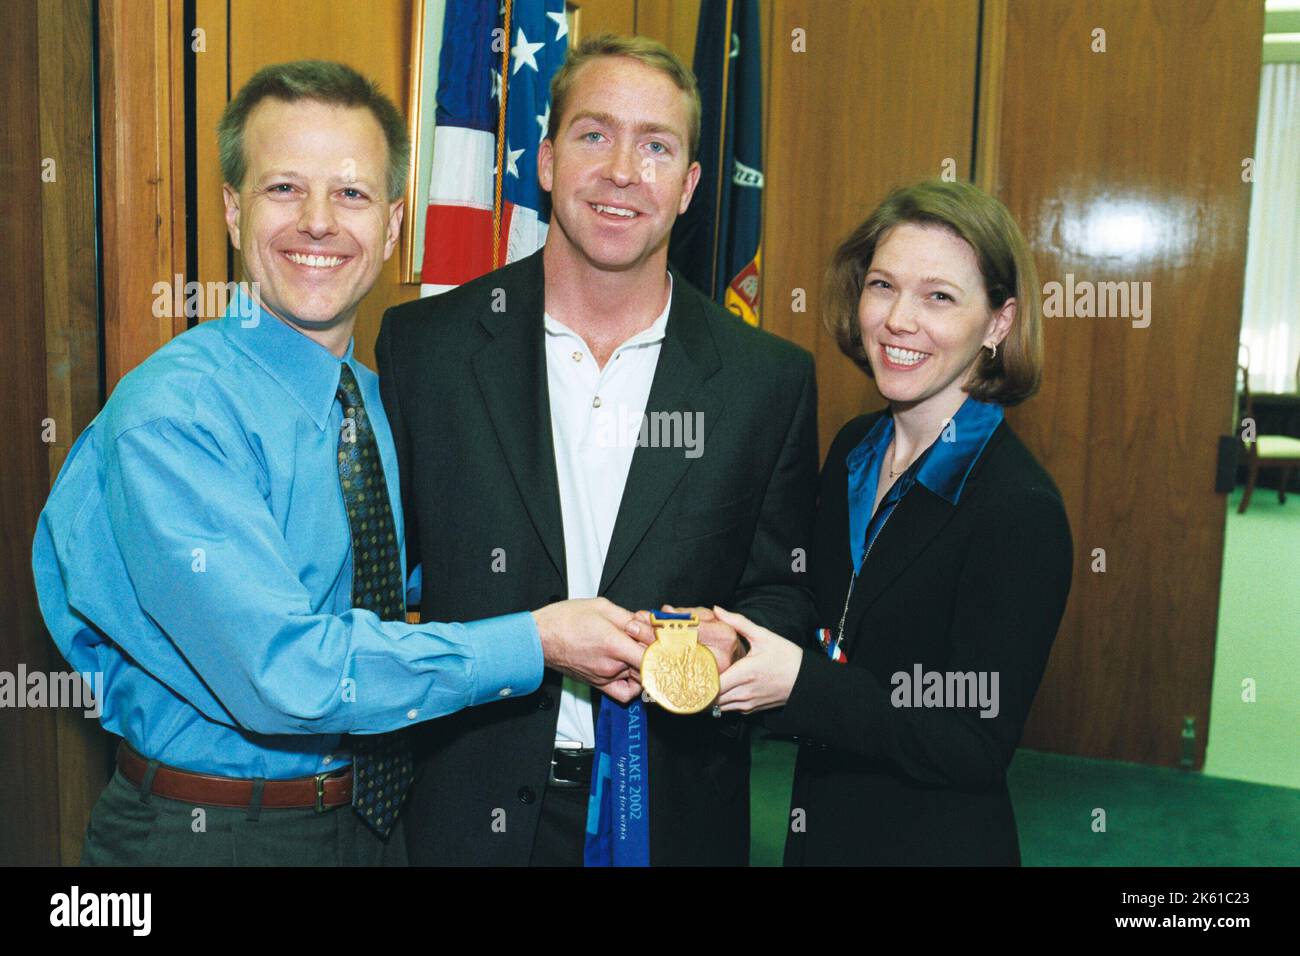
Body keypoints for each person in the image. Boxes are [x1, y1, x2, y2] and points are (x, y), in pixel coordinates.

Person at [31, 60, 646, 867]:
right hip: (211, 834)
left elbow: (414, 581)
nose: (318, 223)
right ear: (230, 208)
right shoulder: (174, 418)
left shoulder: (380, 402)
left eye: (351, 194)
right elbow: (286, 673)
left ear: (392, 227)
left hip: (375, 821)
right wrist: (534, 641)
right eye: (284, 188)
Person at [377, 34, 819, 866]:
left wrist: (733, 644)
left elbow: (785, 594)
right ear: (545, 162)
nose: (623, 170)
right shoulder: (424, 349)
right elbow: (381, 585)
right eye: (594, 135)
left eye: (656, 146)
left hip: (675, 813)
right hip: (466, 810)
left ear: (689, 186)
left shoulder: (768, 381)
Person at [712, 180, 1073, 865]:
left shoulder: (1018, 508)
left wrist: (802, 685)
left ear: (998, 323)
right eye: (883, 286)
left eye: (940, 296)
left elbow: (973, 742)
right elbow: (829, 626)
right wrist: (734, 642)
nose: (899, 320)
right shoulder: (854, 446)